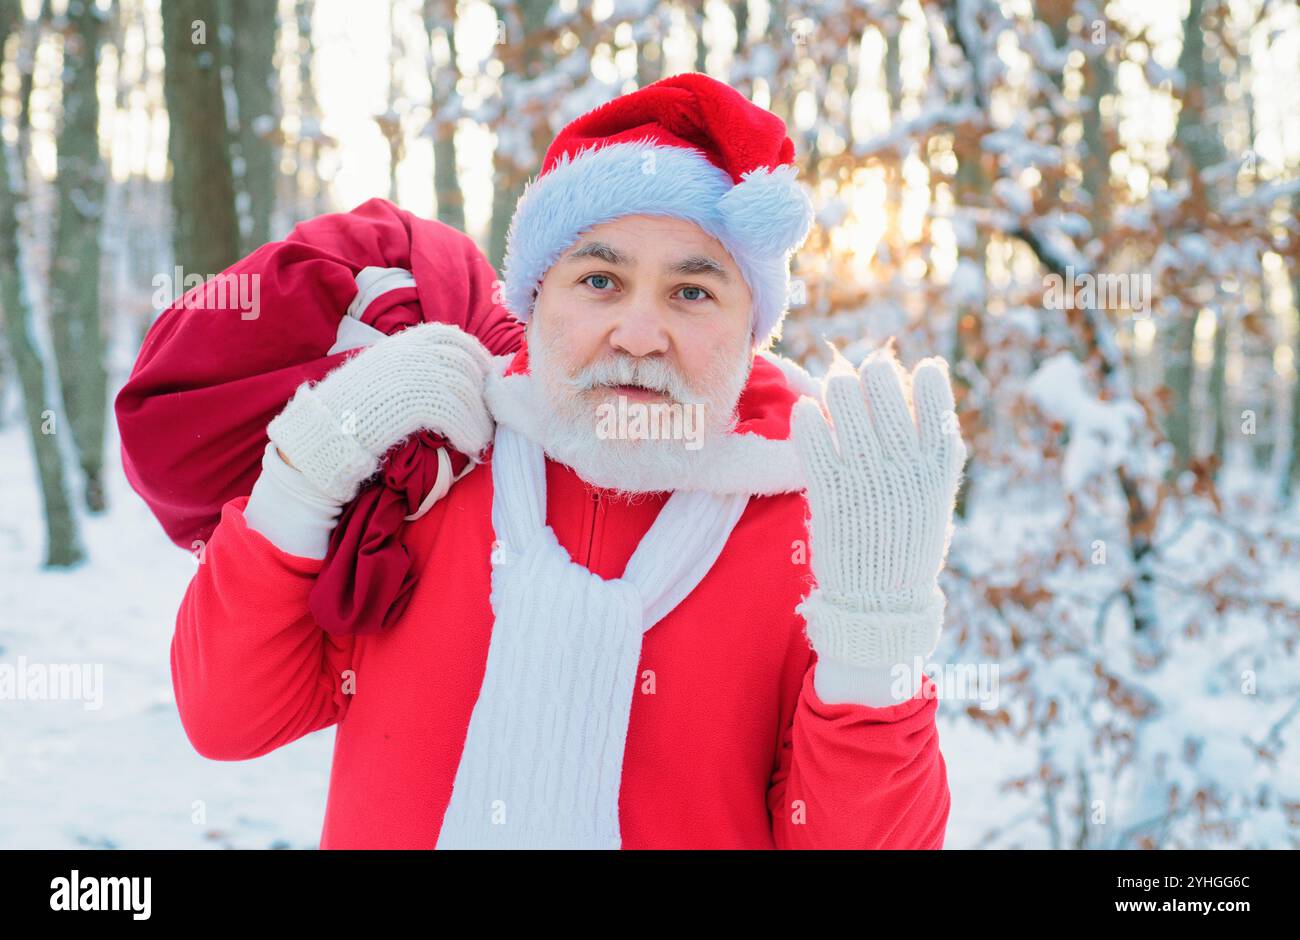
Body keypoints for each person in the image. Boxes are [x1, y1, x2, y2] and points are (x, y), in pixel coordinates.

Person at [171, 72, 966, 849]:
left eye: (693, 293)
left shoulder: (812, 526)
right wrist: (308, 469)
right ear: (535, 297)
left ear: (751, 324)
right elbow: (230, 717)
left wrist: (874, 645)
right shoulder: (436, 463)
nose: (640, 333)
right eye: (600, 280)